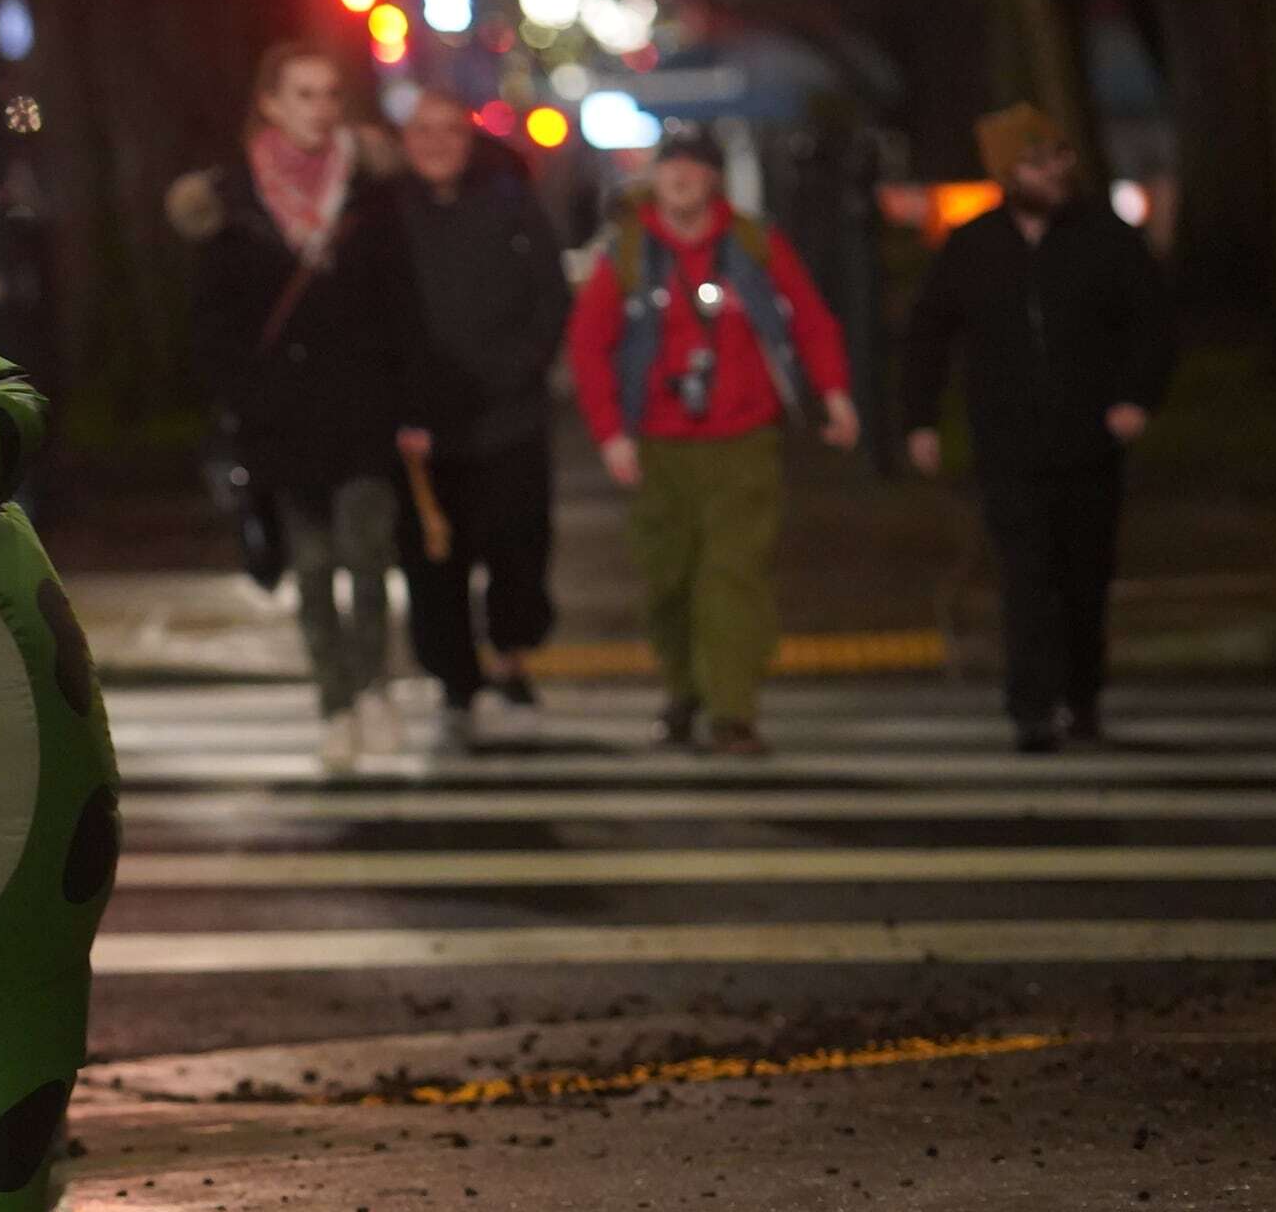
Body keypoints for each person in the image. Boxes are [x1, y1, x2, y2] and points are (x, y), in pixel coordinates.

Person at [171, 44, 429, 771]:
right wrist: (246, 400)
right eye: (304, 94)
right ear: (271, 105)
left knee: (367, 556)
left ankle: (374, 689)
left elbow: (402, 303)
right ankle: (335, 704)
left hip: (363, 409)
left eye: (330, 94)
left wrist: (409, 403)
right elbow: (214, 322)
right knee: (312, 568)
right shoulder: (234, 201)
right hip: (280, 421)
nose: (320, 109)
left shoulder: (369, 193)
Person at [567, 126, 860, 756]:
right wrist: (612, 435)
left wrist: (834, 393)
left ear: (715, 179)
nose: (681, 178)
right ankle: (684, 690)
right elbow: (589, 347)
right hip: (658, 444)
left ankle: (732, 711)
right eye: (671, 166)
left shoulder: (753, 244)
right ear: (655, 177)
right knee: (669, 581)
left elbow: (810, 319)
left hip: (743, 440)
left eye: (696, 168)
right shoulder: (628, 253)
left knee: (733, 575)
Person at [901, 104, 1174, 752]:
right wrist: (920, 419)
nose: (1054, 172)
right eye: (1035, 162)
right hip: (1007, 443)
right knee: (1024, 577)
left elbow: (1153, 323)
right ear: (1007, 173)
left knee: (1085, 577)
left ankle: (1082, 696)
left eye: (1058, 158)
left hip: (1089, 440)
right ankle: (1031, 707)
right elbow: (929, 333)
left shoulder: (1106, 238)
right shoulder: (973, 246)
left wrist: (1136, 397)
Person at [391, 87, 572, 746]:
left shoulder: (511, 202)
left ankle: (512, 660)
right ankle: (454, 681)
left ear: (469, 139)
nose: (436, 144)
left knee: (517, 545)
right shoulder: (385, 212)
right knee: (434, 561)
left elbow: (549, 295)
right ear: (406, 141)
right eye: (423, 131)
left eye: (449, 130)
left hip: (507, 415)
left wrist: (518, 369)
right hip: (420, 426)